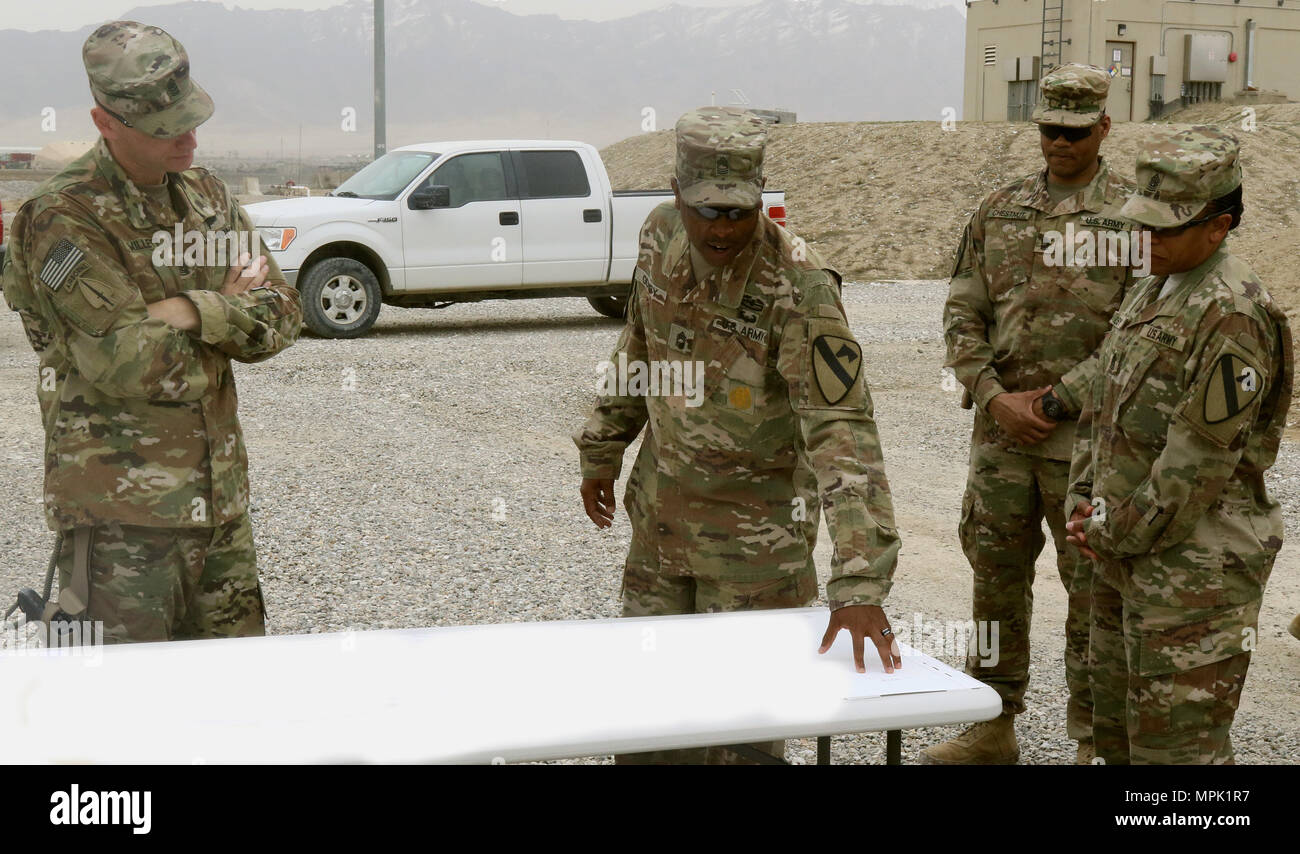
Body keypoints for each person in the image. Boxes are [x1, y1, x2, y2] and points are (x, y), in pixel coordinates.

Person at [573, 106, 901, 764]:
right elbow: (640, 343)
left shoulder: (800, 289)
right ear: (675, 192)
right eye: (705, 210)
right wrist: (603, 446)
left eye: (737, 211)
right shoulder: (658, 236)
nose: (721, 228)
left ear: (760, 198)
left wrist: (860, 583)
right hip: (661, 530)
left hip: (757, 555)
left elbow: (842, 433)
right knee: (647, 726)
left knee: (743, 737)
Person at [0, 21, 302, 643]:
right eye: (165, 128)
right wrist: (226, 308)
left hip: (221, 508)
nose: (189, 138)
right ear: (106, 122)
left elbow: (285, 315)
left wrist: (195, 310)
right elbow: (131, 361)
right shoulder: (64, 216)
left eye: (191, 118)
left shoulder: (208, 196)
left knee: (237, 704)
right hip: (120, 523)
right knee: (119, 715)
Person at [1066, 126, 1292, 765]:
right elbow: (1103, 410)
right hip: (1125, 555)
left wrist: (1111, 531)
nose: (1148, 240)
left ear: (1218, 228)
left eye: (1165, 228)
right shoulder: (1154, 287)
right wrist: (1083, 499)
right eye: (1144, 225)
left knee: (1176, 766)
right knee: (1111, 740)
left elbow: (1196, 465)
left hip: (1191, 580)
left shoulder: (1232, 310)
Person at [931, 63, 1137, 764]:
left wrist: (1055, 401)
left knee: (1092, 591)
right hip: (1000, 437)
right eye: (1050, 130)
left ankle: (1094, 738)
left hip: (1083, 442)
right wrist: (991, 395)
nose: (1060, 143)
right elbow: (963, 309)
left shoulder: (1134, 217)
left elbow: (1135, 333)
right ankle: (992, 722)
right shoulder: (998, 209)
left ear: (1103, 128)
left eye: (1075, 133)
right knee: (994, 582)